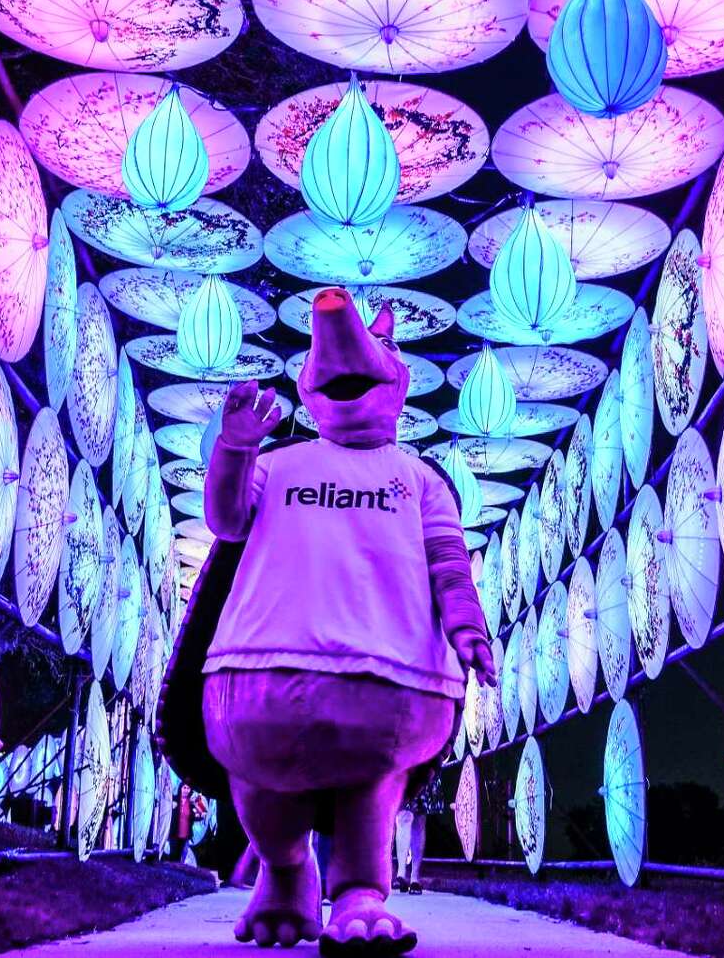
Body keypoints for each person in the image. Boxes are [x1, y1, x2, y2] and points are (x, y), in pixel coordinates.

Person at [158, 289, 498, 953]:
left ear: (398, 383)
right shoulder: (279, 464)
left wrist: (468, 629)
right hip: (259, 668)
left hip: (388, 673)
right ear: (308, 390)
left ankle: (359, 895)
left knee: (370, 786)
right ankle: (286, 872)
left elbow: (448, 561)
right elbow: (227, 519)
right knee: (262, 790)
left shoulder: (420, 478)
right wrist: (233, 447)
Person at [393, 770, 444, 894]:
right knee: (406, 817)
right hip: (410, 765)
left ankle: (412, 876)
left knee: (417, 820)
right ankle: (404, 874)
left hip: (421, 763)